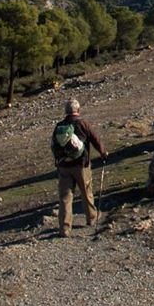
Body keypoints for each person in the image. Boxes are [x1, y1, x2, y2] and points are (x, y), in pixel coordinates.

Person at [52, 98, 107, 237]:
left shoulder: (59, 127)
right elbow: (95, 139)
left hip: (64, 166)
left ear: (66, 111)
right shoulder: (83, 124)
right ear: (78, 110)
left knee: (65, 197)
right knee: (86, 191)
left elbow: (54, 146)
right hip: (81, 165)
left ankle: (64, 228)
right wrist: (103, 153)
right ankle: (91, 218)